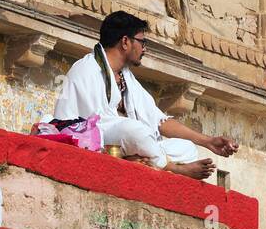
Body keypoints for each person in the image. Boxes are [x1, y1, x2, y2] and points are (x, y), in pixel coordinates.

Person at [53, 11, 237, 180]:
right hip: (94, 140)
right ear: (125, 42)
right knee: (134, 129)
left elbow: (159, 121)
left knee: (187, 149)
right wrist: (129, 140)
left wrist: (208, 141)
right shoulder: (87, 69)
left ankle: (141, 160)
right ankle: (172, 168)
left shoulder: (126, 77)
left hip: (132, 145)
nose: (145, 49)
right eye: (142, 42)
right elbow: (91, 127)